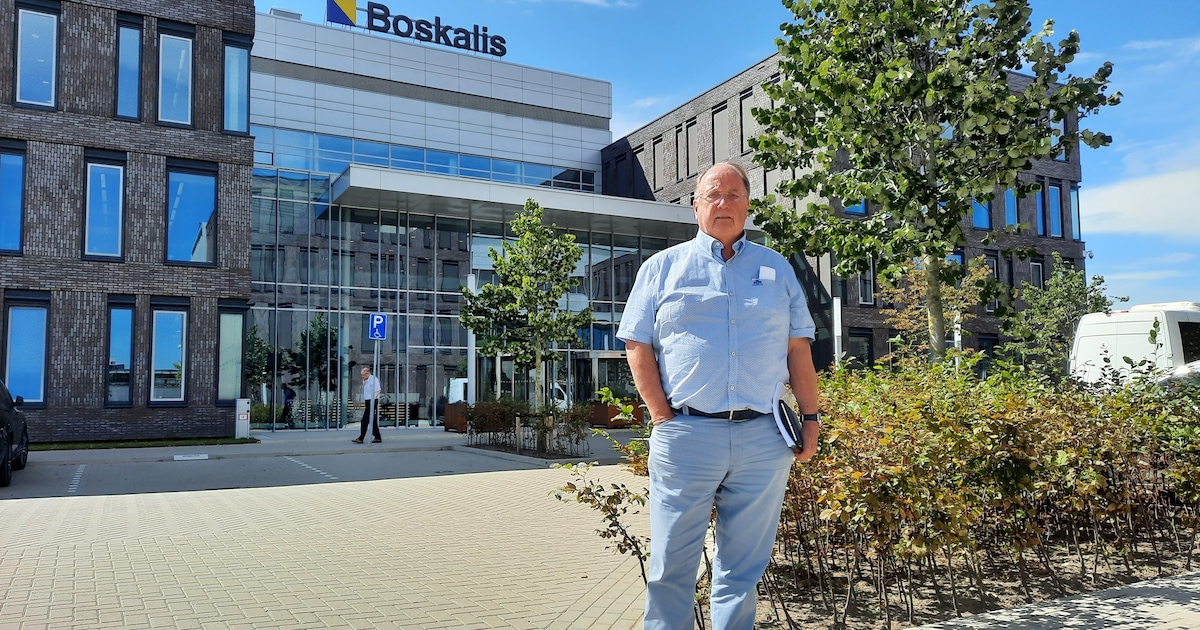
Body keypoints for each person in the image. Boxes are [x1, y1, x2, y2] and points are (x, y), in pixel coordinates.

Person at [616, 161, 821, 630]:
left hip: (764, 438)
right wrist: (662, 416)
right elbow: (636, 344)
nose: (722, 203)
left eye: (733, 194)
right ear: (695, 206)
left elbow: (798, 350)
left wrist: (810, 420)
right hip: (686, 434)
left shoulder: (777, 268)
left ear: (747, 204)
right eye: (712, 195)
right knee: (670, 567)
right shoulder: (661, 268)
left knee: (742, 571)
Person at [352, 367, 383, 444]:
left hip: (372, 401)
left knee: (364, 420)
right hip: (368, 401)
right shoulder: (367, 380)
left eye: (363, 375)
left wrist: (373, 399)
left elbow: (378, 390)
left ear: (367, 373)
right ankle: (377, 437)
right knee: (372, 420)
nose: (362, 376)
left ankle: (361, 438)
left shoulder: (373, 379)